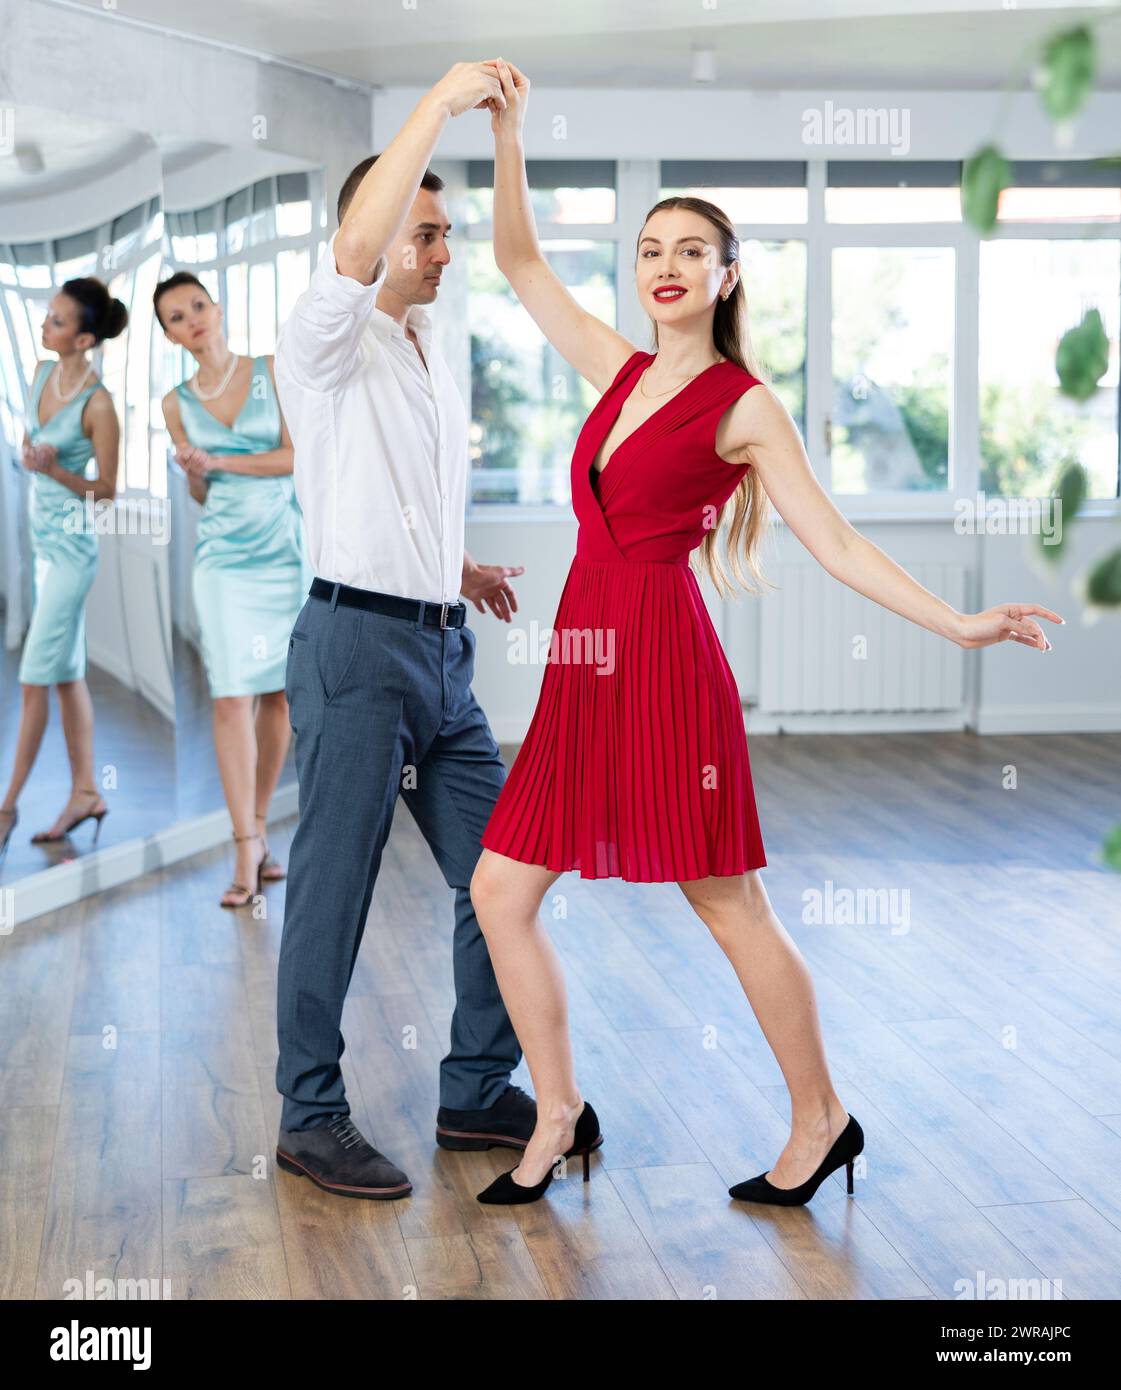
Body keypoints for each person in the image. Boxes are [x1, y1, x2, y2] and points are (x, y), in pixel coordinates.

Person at [468, 59, 1064, 1207]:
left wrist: (957, 622)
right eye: (650, 248)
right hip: (580, 665)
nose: (665, 266)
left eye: (691, 250)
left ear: (726, 274)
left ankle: (820, 1116)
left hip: (662, 667)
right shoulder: (616, 369)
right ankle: (557, 1113)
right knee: (502, 891)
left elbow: (834, 543)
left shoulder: (741, 405)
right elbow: (518, 261)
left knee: (727, 903)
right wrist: (510, 135)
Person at [270, 61, 575, 1202]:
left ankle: (471, 1088)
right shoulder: (324, 337)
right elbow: (354, 252)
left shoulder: (427, 348)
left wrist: (457, 570)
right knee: (334, 889)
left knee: (504, 872)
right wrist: (440, 104)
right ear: (381, 229)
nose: (445, 251)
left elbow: (389, 491)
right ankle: (309, 1115)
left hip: (440, 652)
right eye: (429, 232)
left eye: (448, 232)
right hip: (351, 653)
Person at [157, 274, 310, 907]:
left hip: (283, 551)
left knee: (279, 697)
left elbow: (295, 456)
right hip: (222, 558)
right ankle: (245, 843)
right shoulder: (175, 404)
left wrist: (217, 462)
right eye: (175, 317)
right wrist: (196, 473)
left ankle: (261, 828)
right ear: (168, 334)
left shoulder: (272, 370)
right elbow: (201, 495)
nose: (191, 319)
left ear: (216, 309)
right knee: (229, 698)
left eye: (197, 305)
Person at [0, 279, 125, 859]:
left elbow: (106, 493)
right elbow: (33, 444)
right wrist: (33, 457)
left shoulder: (99, 405)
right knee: (69, 675)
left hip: (73, 556)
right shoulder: (39, 374)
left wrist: (54, 473)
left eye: (56, 322)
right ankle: (84, 793)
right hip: (40, 546)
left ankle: (6, 807)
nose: (44, 328)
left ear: (84, 338)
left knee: (32, 683)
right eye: (46, 317)